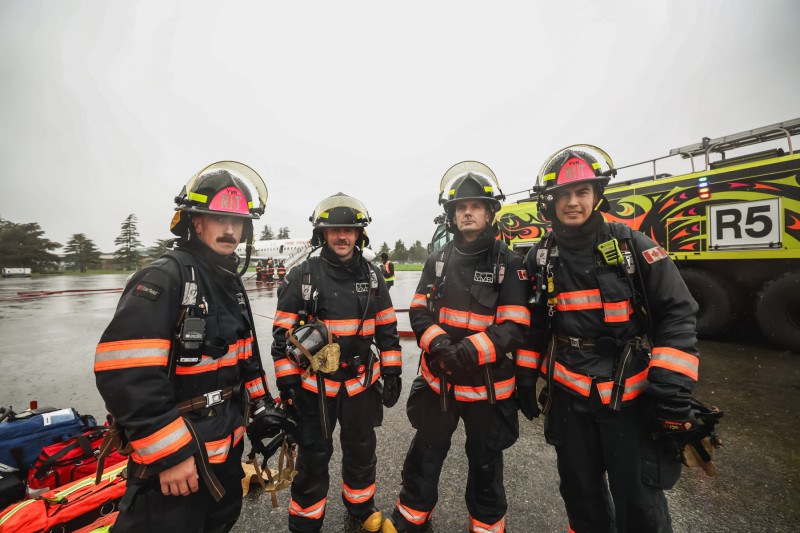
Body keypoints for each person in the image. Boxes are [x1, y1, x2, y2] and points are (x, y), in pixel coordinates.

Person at [94, 162, 287, 533]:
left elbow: (246, 359)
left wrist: (261, 408)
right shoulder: (166, 278)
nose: (230, 229)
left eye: (238, 221)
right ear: (195, 222)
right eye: (218, 218)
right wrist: (169, 456)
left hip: (223, 458)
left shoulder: (228, 283)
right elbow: (126, 373)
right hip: (176, 467)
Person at [522, 146, 700, 532]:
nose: (573, 202)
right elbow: (533, 327)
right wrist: (524, 378)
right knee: (580, 496)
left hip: (629, 398)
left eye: (582, 192)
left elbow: (677, 312)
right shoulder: (539, 258)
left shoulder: (632, 246)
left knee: (639, 501)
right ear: (549, 202)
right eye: (563, 195)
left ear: (597, 195)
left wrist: (672, 387)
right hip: (568, 399)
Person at [383, 162, 530, 533]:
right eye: (460, 206)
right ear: (451, 214)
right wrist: (441, 347)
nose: (467, 211)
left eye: (476, 205)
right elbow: (418, 310)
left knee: (485, 462)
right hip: (440, 385)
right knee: (425, 453)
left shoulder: (508, 263)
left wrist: (465, 352)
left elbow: (514, 325)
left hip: (487, 388)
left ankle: (486, 525)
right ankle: (411, 517)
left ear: (489, 212)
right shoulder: (438, 260)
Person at [271, 193, 402, 533]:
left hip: (361, 384)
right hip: (315, 388)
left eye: (350, 229)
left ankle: (361, 508)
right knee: (314, 455)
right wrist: (287, 386)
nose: (342, 236)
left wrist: (392, 372)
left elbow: (388, 329)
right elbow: (281, 337)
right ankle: (305, 520)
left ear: (360, 234)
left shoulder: (374, 277)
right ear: (322, 234)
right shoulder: (302, 275)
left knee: (361, 450)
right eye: (334, 230)